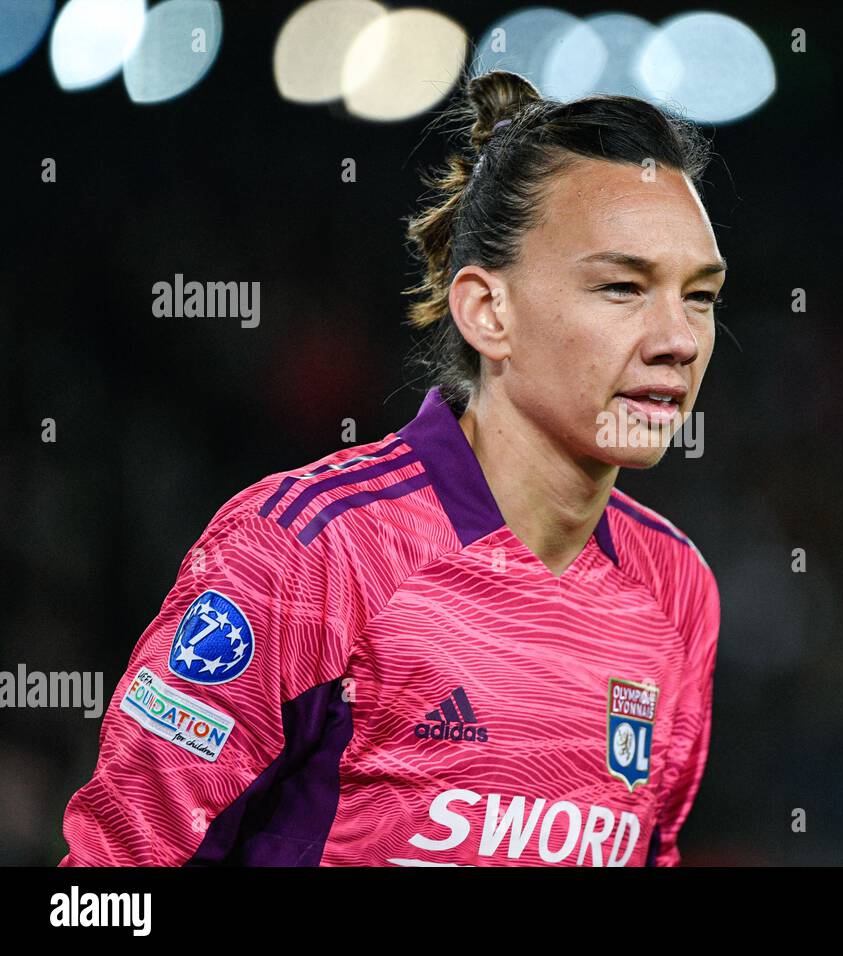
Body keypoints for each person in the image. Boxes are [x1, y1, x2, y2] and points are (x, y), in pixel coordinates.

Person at [58, 69, 726, 866]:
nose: (678, 339)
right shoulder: (310, 553)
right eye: (622, 287)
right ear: (489, 312)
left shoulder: (675, 587)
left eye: (700, 296)